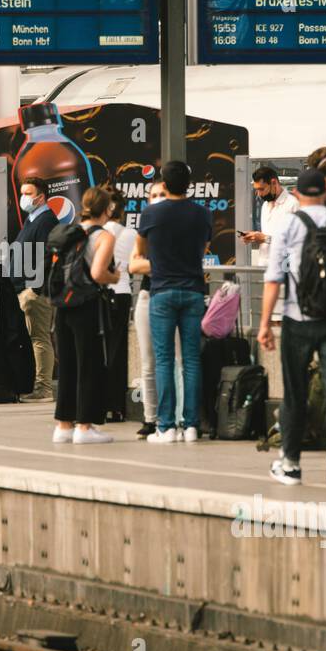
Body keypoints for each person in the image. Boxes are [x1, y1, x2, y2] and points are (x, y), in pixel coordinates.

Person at [259, 169, 326, 487]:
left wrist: (265, 323)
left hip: (297, 319)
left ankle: (291, 465)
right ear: (325, 193)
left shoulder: (288, 225)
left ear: (298, 195)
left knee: (294, 392)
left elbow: (273, 279)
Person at [134, 160, 211, 444]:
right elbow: (204, 249)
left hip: (162, 291)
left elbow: (141, 252)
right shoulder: (202, 214)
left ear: (163, 185)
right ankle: (191, 426)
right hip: (192, 290)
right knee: (191, 359)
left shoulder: (151, 213)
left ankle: (166, 426)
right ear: (189, 185)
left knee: (164, 360)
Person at [53, 187, 120, 444]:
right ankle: (85, 426)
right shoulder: (104, 235)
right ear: (107, 209)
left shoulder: (70, 231)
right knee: (89, 363)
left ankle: (64, 425)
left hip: (62, 303)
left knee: (68, 364)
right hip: (87, 304)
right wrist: (116, 276)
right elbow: (98, 273)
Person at [129, 180, 184, 438]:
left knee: (179, 360)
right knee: (148, 361)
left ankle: (180, 417)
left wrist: (154, 263)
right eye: (154, 195)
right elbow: (134, 265)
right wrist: (168, 264)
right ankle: (151, 417)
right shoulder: (146, 228)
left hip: (175, 296)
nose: (159, 198)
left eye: (163, 193)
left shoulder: (183, 225)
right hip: (148, 295)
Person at [14, 177, 59, 401]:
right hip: (25, 289)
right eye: (22, 192)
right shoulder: (32, 219)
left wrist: (35, 288)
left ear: (41, 196)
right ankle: (37, 385)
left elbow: (47, 256)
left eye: (28, 193)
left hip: (35, 291)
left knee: (40, 338)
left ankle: (44, 389)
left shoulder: (46, 220)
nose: (24, 198)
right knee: (34, 339)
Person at [103, 187, 136, 421]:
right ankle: (116, 406)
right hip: (122, 292)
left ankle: (98, 402)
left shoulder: (95, 233)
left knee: (97, 349)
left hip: (99, 293)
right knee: (117, 349)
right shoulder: (130, 234)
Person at [240, 166, 298, 267]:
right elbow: (269, 234)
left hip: (286, 268)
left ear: (274, 183)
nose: (259, 194)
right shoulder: (265, 206)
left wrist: (265, 238)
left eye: (261, 189)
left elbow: (297, 241)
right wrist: (254, 236)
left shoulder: (293, 204)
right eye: (256, 190)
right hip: (265, 266)